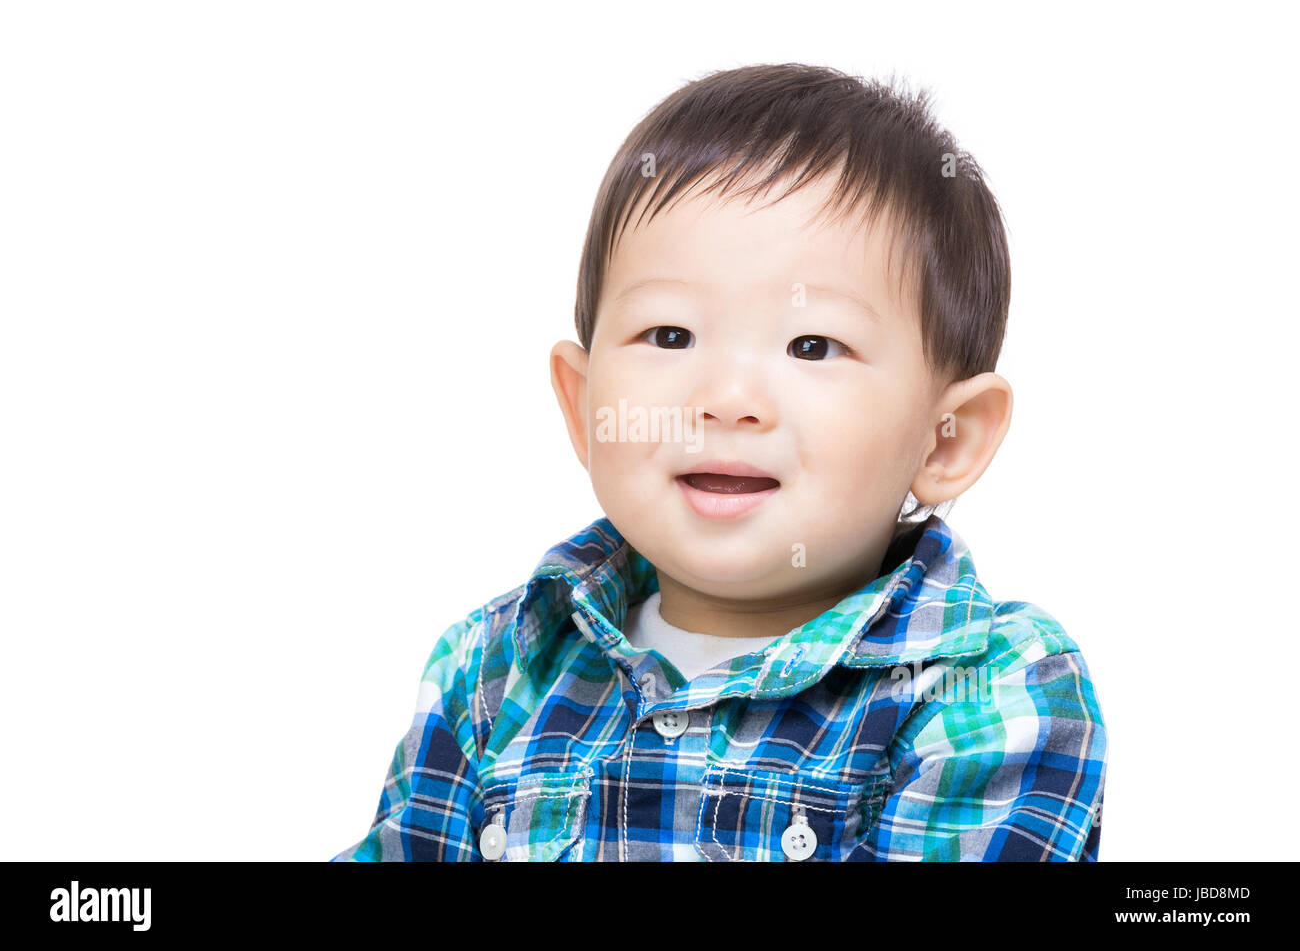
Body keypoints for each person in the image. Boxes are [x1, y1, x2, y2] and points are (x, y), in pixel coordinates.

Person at [331, 63, 1108, 861]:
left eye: (813, 346)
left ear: (947, 437)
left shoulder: (991, 691)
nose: (728, 398)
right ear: (582, 404)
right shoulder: (493, 670)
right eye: (669, 336)